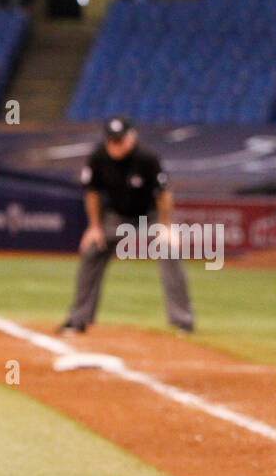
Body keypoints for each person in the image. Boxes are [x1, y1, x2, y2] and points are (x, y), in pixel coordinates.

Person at [60, 117, 194, 335]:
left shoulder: (147, 158)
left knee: (168, 249)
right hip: (116, 216)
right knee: (91, 250)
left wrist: (165, 226)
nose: (114, 145)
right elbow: (92, 193)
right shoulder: (99, 157)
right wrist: (94, 227)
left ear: (131, 139)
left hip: (149, 216)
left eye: (119, 141)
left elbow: (164, 194)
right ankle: (78, 319)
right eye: (111, 140)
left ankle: (183, 320)